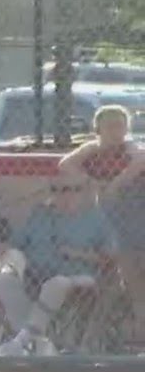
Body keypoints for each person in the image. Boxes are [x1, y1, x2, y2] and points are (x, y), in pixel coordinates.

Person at [0, 177, 117, 356]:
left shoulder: (96, 218)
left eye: (70, 189)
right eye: (56, 190)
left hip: (79, 276)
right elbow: (16, 243)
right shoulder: (40, 214)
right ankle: (38, 343)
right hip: (35, 274)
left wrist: (78, 254)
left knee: (56, 284)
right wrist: (1, 249)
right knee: (2, 281)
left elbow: (110, 259)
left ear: (84, 191)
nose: (63, 195)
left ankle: (21, 342)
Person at [63, 105, 145, 345]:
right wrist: (92, 182)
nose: (114, 131)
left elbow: (141, 159)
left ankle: (137, 331)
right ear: (97, 128)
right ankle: (107, 337)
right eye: (108, 126)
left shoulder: (130, 149)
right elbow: (66, 165)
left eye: (120, 125)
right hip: (112, 228)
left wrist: (116, 183)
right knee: (124, 283)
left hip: (137, 221)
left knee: (135, 278)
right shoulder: (93, 149)